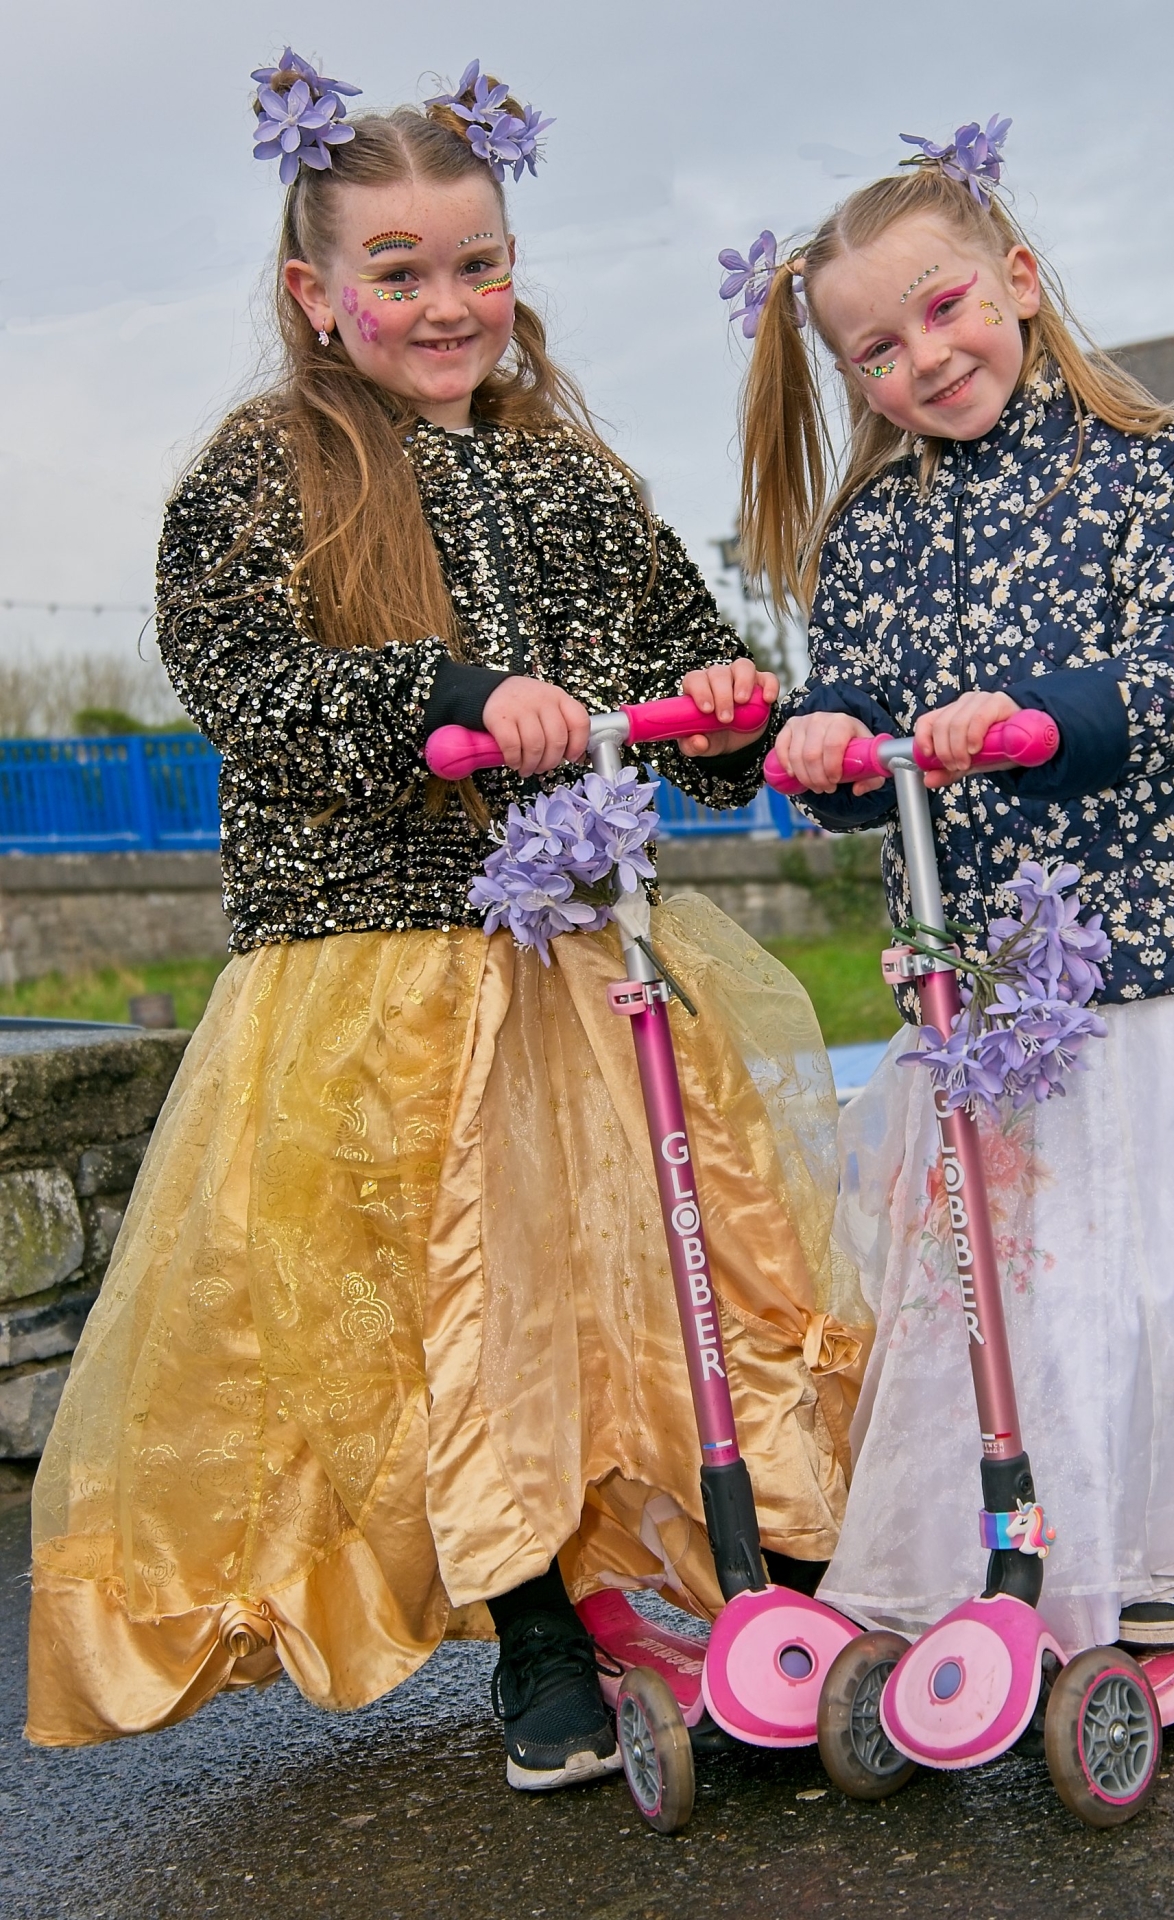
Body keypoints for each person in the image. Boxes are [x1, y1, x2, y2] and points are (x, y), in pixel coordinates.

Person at [27, 55, 868, 1790]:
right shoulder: (264, 473)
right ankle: (536, 1631)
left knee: (685, 1269)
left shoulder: (573, 478)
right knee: (447, 1315)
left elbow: (683, 697)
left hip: (582, 953)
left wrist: (714, 702)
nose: (445, 301)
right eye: (398, 269)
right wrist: (452, 692)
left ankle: (775, 1560)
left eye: (475, 263)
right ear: (312, 292)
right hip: (374, 970)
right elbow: (247, 685)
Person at [732, 120, 1174, 1657]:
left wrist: (1046, 721)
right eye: (874, 349)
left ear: (1022, 282)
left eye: (944, 309)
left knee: (1173, 1269)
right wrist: (825, 734)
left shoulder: (1142, 465)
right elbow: (846, 685)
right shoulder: (872, 532)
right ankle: (993, 1540)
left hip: (1152, 949)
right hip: (976, 975)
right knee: (1005, 1286)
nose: (922, 359)